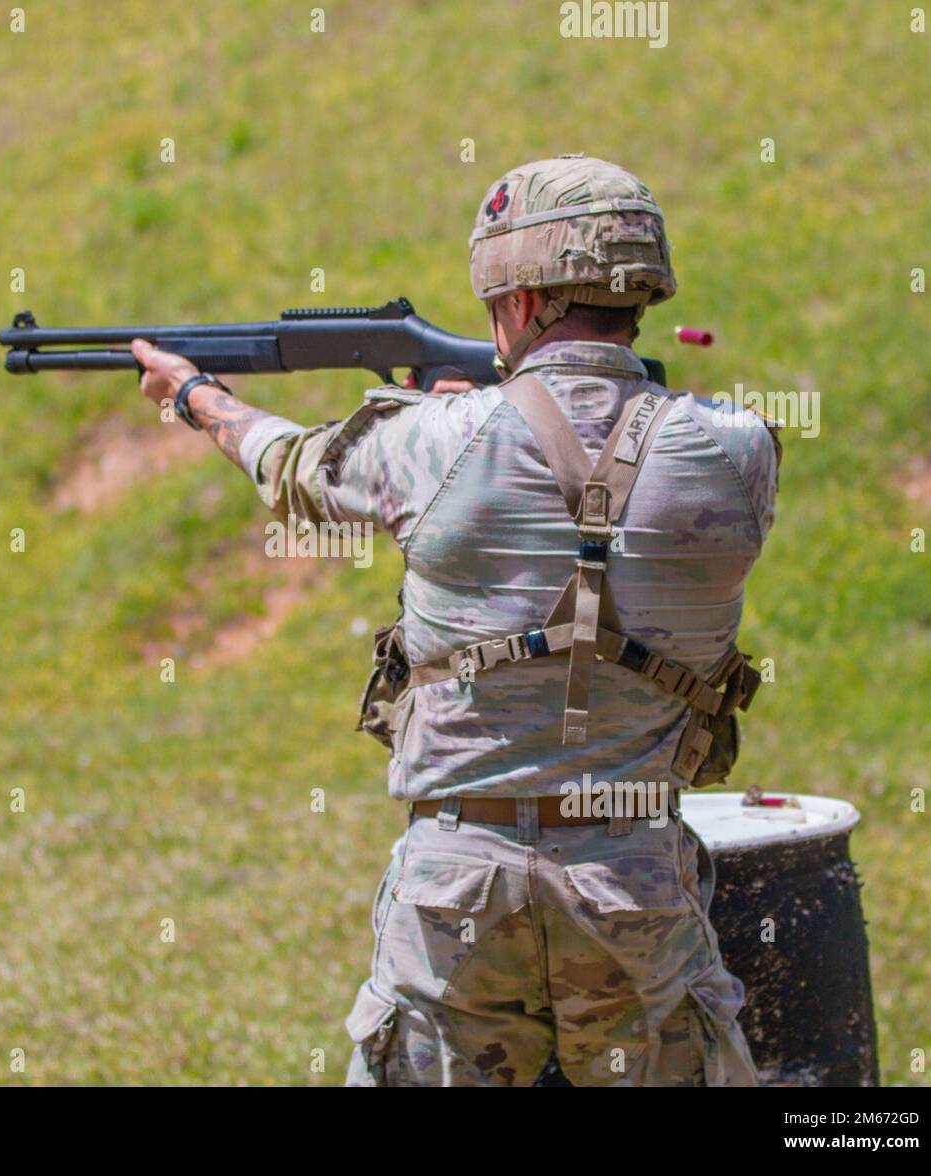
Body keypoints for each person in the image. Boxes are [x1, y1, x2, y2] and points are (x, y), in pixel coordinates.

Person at [131, 155, 779, 1086]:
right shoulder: (741, 449)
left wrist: (197, 397)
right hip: (637, 876)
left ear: (516, 299)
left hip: (457, 890)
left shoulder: (433, 439)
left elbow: (292, 469)